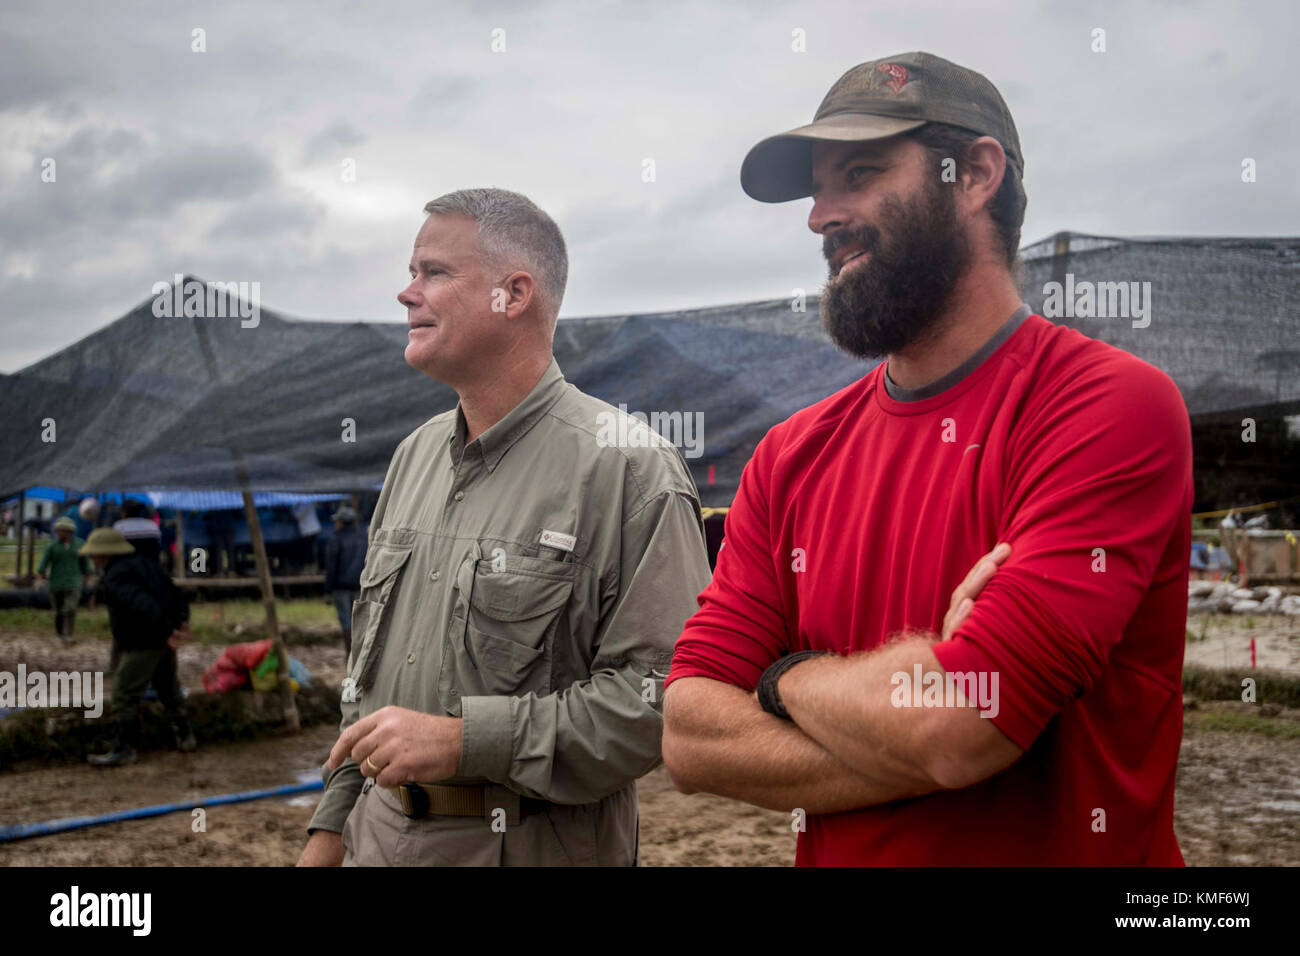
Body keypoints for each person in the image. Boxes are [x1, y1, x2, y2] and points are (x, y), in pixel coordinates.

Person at [662, 52, 1194, 865]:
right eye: (815, 189)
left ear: (975, 173)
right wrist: (923, 710)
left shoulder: (1108, 404)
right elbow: (691, 736)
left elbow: (959, 727)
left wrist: (784, 677)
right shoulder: (789, 456)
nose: (820, 217)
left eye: (861, 172)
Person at [298, 188, 712, 867]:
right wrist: (331, 824)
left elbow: (664, 699)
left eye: (434, 272)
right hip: (377, 840)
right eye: (412, 271)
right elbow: (367, 677)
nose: (407, 293)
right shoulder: (413, 457)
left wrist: (466, 741)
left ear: (513, 294)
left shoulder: (629, 470)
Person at [80, 527, 197, 766]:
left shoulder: (117, 576)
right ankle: (186, 735)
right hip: (162, 638)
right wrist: (179, 622)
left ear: (105, 554)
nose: (91, 559)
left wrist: (166, 630)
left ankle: (124, 748)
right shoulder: (147, 565)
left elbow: (140, 604)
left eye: (94, 554)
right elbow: (174, 592)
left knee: (124, 691)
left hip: (143, 640)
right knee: (168, 687)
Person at [37, 516, 90, 644]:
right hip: (56, 583)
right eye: (57, 530)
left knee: (70, 609)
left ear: (69, 531)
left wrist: (86, 577)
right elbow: (43, 565)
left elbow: (85, 564)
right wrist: (42, 575)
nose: (58, 533)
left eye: (61, 530)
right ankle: (60, 633)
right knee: (59, 611)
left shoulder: (79, 544)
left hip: (74, 582)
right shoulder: (52, 547)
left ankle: (67, 635)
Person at [323, 504, 365, 654]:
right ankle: (359, 654)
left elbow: (331, 567)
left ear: (340, 522)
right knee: (359, 620)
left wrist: (327, 590)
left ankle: (350, 654)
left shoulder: (335, 539)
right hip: (359, 586)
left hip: (340, 587)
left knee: (346, 621)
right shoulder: (362, 538)